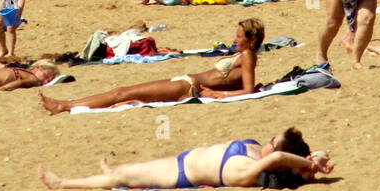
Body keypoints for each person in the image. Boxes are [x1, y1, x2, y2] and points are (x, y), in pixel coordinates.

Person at [40, 19, 266, 113]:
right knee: (123, 92)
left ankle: (65, 106)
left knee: (122, 93)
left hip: (189, 88)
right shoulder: (243, 54)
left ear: (252, 39)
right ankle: (68, 104)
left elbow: (248, 90)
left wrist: (217, 93)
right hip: (185, 82)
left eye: (239, 37)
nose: (234, 40)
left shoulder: (248, 56)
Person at [40, 129, 332, 191]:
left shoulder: (252, 169)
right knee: (124, 171)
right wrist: (314, 156)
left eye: (273, 142)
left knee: (121, 179)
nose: (268, 142)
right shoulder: (261, 152)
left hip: (179, 176)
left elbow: (281, 157)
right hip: (184, 159)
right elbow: (289, 154)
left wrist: (308, 164)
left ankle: (62, 183)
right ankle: (110, 169)